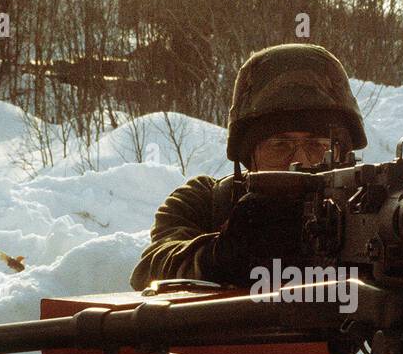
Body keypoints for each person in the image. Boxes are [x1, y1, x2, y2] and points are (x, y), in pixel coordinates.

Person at [129, 43, 365, 291]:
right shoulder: (204, 203)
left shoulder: (366, 209)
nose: (301, 162)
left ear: (342, 154)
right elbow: (150, 270)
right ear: (249, 155)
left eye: (318, 146)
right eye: (280, 145)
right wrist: (221, 255)